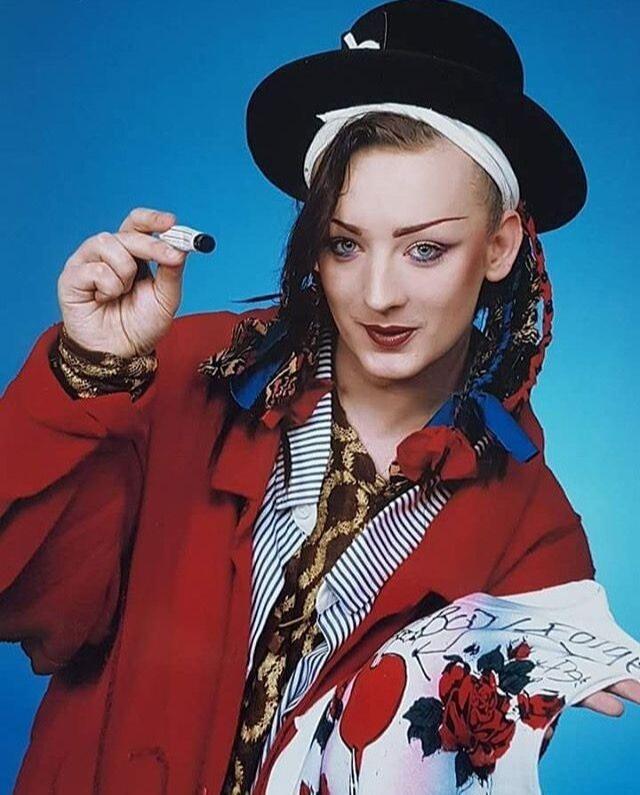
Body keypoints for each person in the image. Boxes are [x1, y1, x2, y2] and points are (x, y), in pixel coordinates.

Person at [1, 1, 638, 793]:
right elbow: (33, 610)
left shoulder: (536, 540)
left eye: (426, 249)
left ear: (500, 244)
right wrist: (81, 377)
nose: (378, 293)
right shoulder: (181, 369)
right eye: (344, 243)